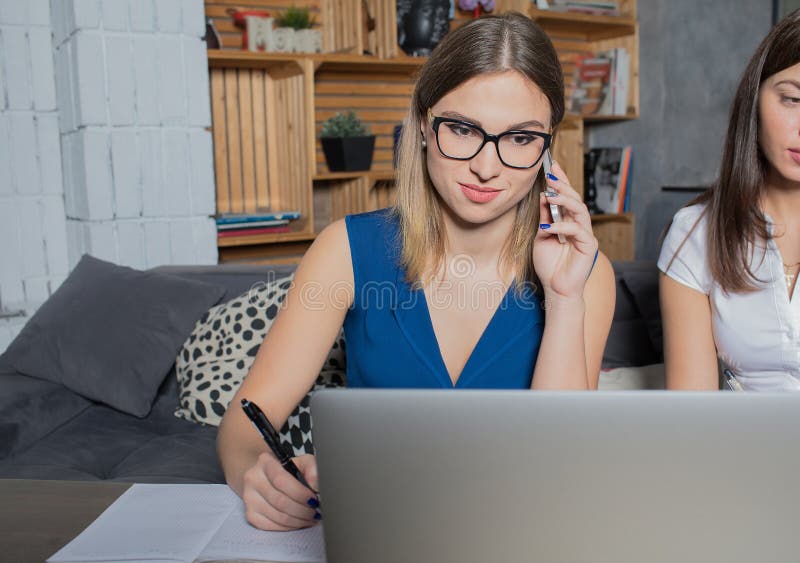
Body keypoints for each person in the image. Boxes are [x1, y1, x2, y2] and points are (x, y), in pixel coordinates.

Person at [217, 11, 616, 531]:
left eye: (520, 138)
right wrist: (257, 472)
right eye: (463, 128)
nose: (487, 166)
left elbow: (562, 464)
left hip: (519, 532)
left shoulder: (586, 273)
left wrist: (564, 299)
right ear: (425, 126)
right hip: (382, 530)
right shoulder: (345, 249)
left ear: (547, 147)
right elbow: (245, 423)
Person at [659, 9, 800, 391]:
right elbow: (693, 412)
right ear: (755, 99)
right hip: (744, 447)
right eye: (792, 100)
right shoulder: (695, 234)